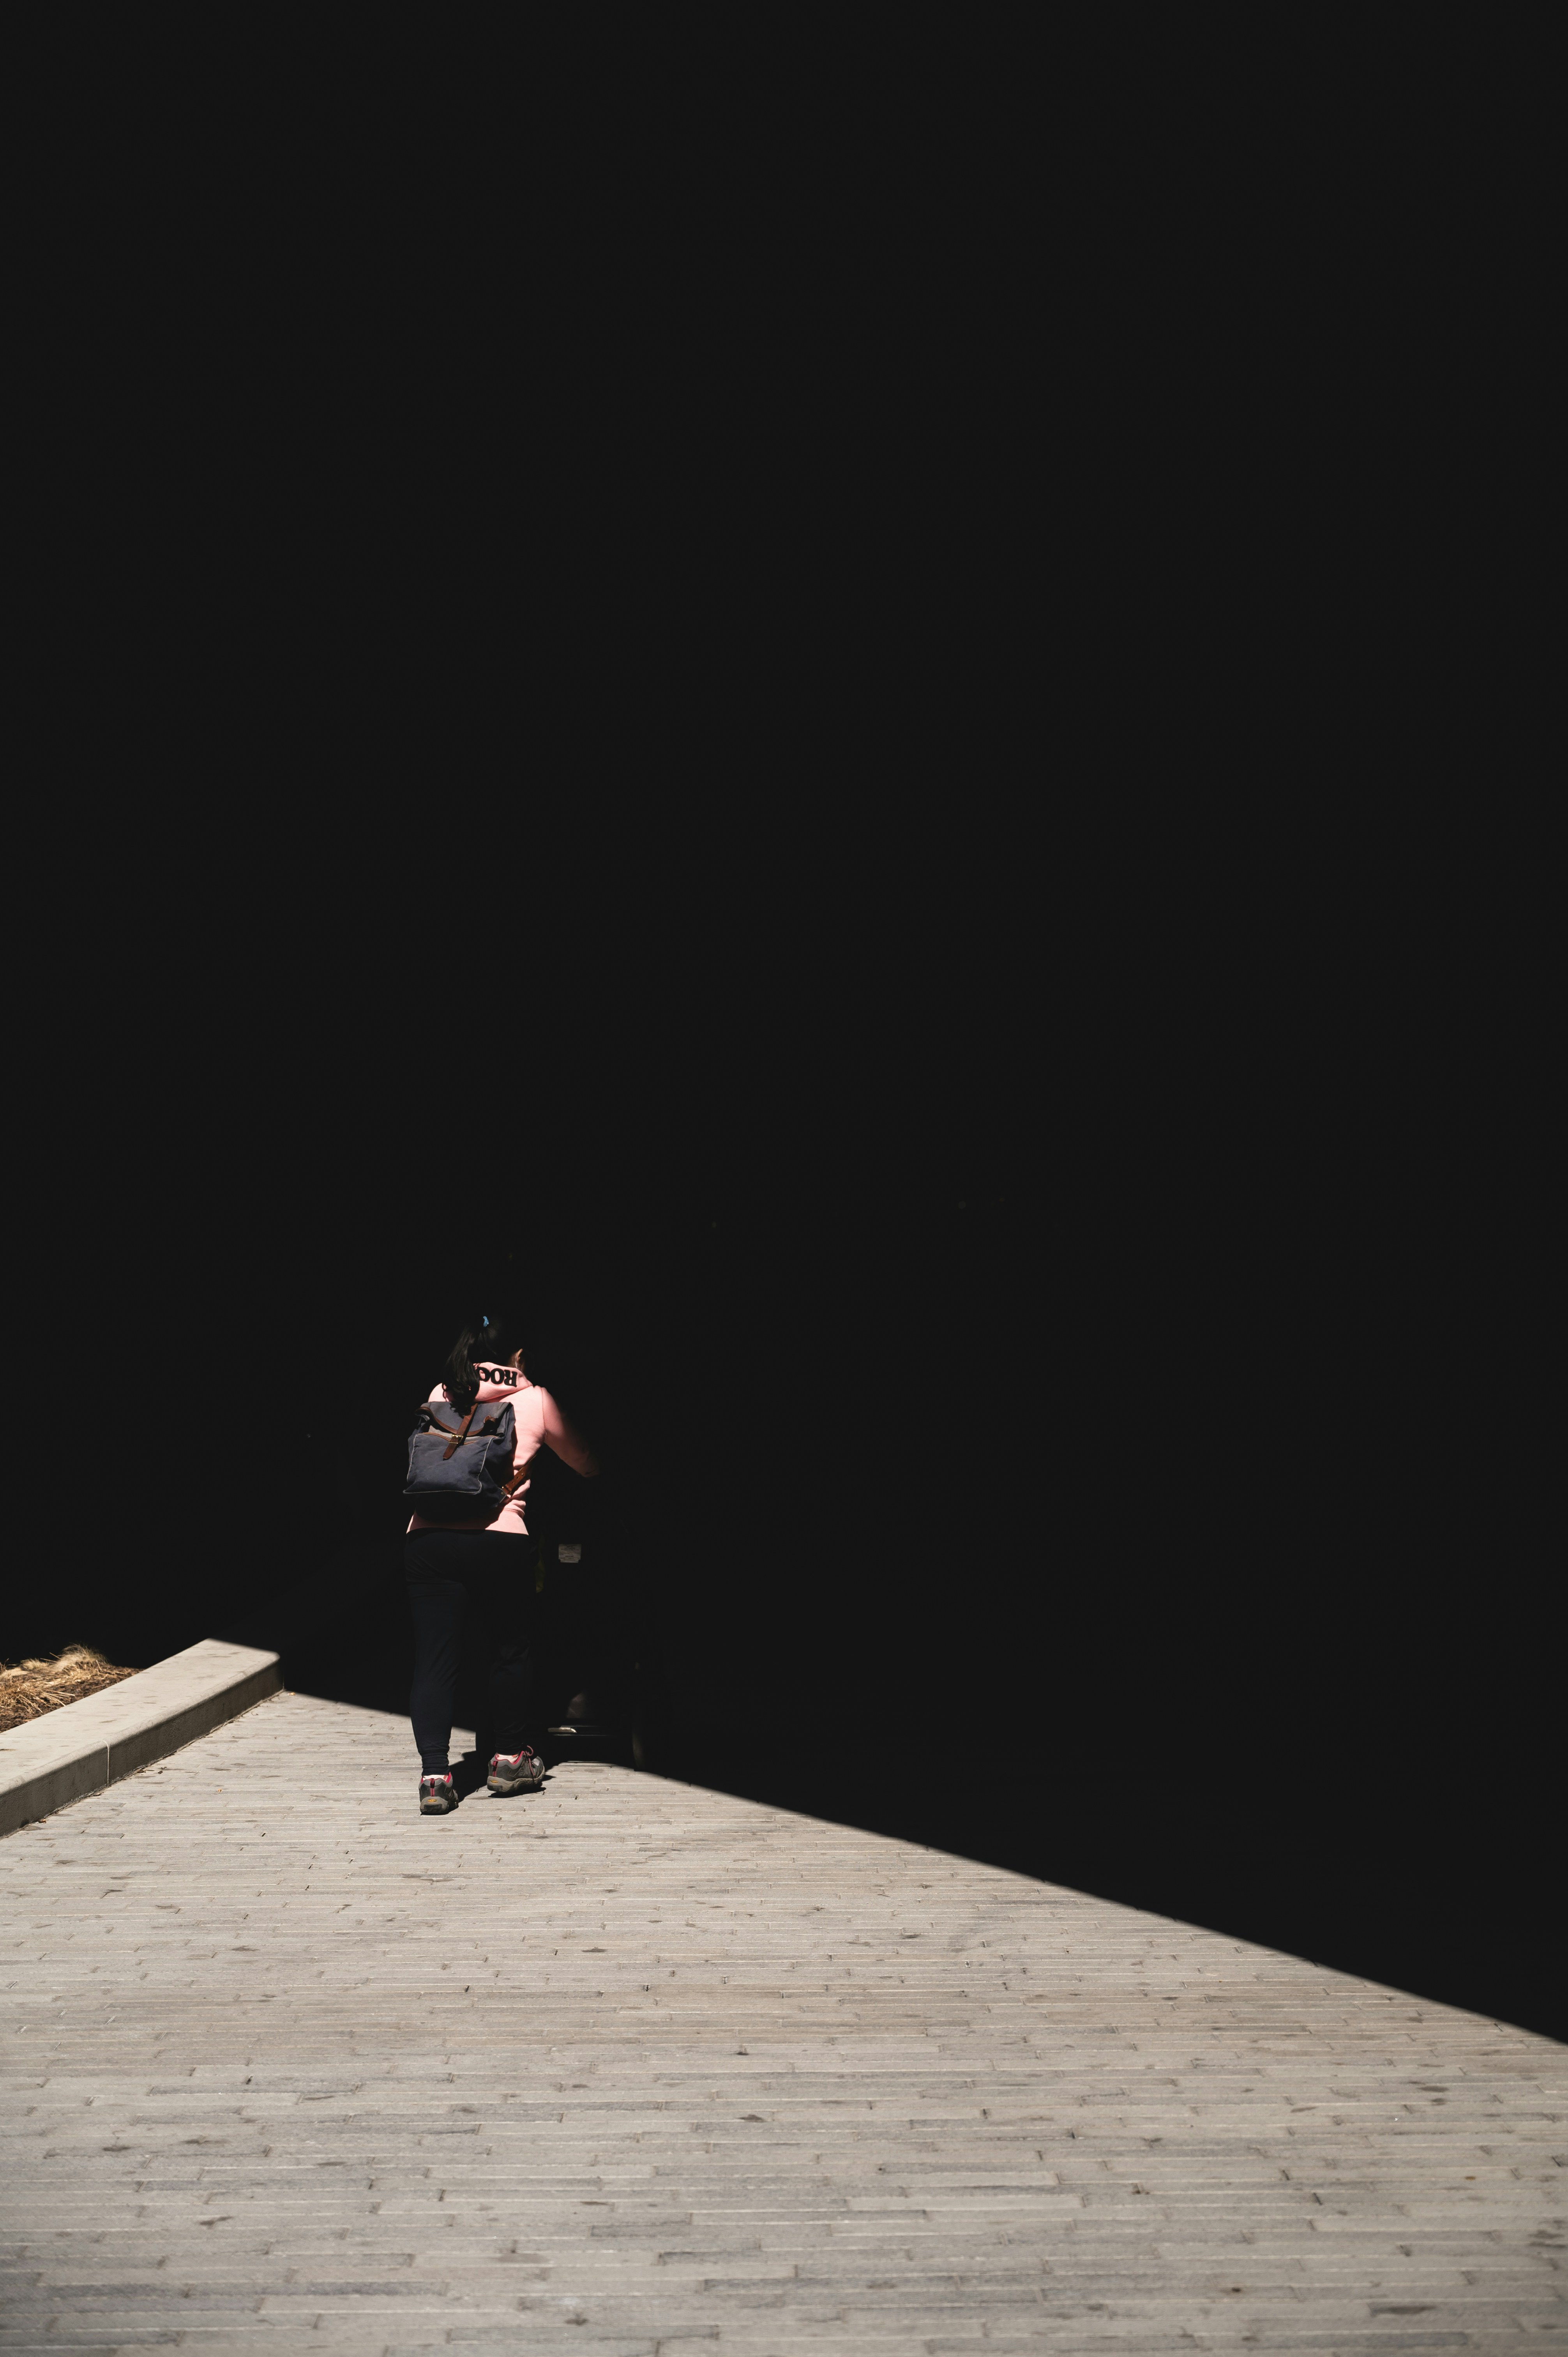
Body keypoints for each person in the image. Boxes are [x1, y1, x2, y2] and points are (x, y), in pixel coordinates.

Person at [406, 1312, 597, 1815]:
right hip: (499, 1539)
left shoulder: (443, 1390)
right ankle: (509, 1760)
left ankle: (434, 1777)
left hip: (427, 1538)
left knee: (435, 1659)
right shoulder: (534, 1397)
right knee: (509, 1651)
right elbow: (584, 1462)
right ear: (518, 1357)